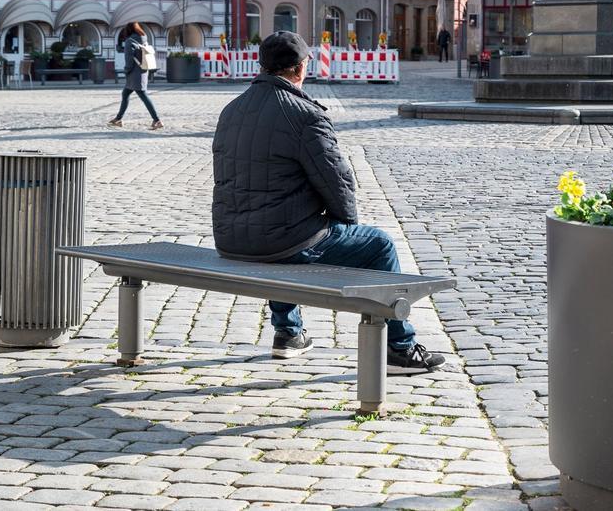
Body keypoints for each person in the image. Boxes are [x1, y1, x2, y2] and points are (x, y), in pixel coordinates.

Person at [212, 31, 446, 374]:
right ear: (300, 68)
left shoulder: (231, 110)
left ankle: (288, 332)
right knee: (378, 244)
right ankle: (400, 347)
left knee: (280, 228)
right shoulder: (304, 115)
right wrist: (345, 222)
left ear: (262, 65)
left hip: (231, 237)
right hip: (279, 238)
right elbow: (337, 182)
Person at [108, 22, 163, 130]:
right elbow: (136, 52)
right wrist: (123, 50)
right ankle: (118, 119)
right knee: (125, 93)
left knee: (143, 95)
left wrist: (126, 70)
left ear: (128, 30)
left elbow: (129, 59)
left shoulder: (129, 41)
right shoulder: (143, 39)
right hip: (142, 70)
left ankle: (157, 120)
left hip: (134, 73)